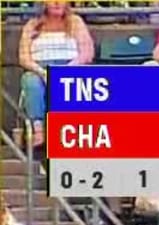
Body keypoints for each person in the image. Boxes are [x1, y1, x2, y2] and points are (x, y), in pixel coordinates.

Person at [18, 2, 94, 144]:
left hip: (70, 66)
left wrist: (63, 71)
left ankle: (68, 132)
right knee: (30, 81)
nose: (57, 2)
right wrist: (43, 73)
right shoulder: (32, 25)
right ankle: (38, 130)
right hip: (39, 69)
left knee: (74, 82)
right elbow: (24, 58)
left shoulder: (75, 22)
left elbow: (87, 53)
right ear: (44, 3)